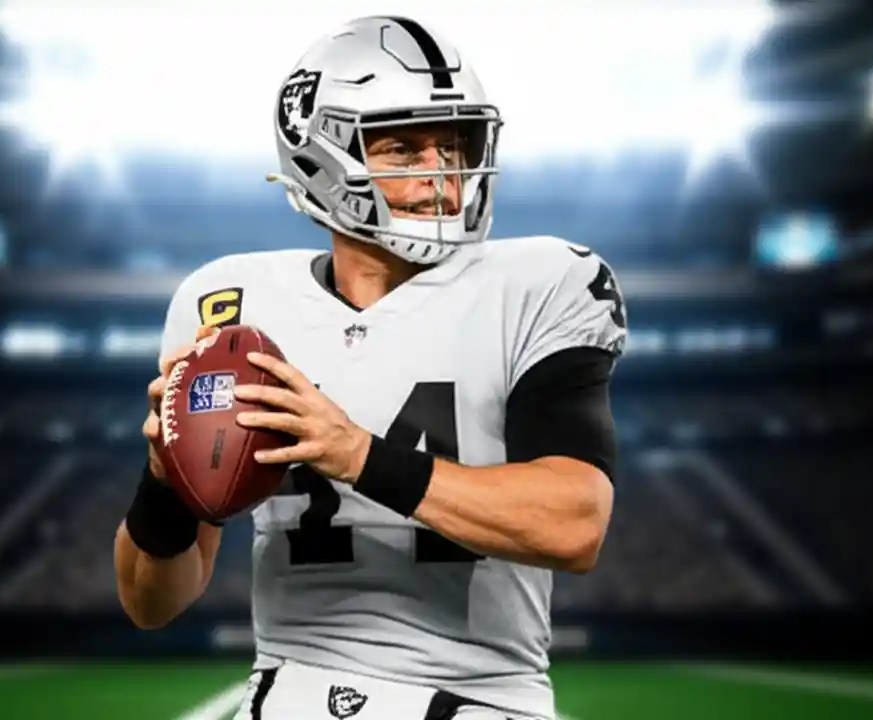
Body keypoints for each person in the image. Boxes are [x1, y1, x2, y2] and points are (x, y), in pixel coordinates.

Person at [115, 15, 627, 720]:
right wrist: (163, 485)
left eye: (453, 144)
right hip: (287, 690)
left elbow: (573, 524)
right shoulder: (227, 304)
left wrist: (356, 454)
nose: (440, 174)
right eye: (402, 149)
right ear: (319, 155)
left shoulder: (540, 283)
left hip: (480, 698)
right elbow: (150, 600)